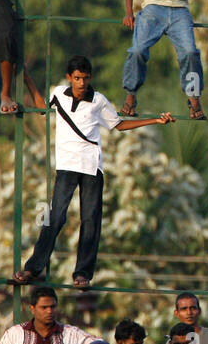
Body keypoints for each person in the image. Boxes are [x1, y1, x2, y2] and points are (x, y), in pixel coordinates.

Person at [11, 55, 175, 289]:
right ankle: (32, 268)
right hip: (66, 166)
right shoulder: (59, 93)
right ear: (70, 78)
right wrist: (26, 77)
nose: (81, 83)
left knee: (90, 220)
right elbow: (40, 108)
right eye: (77, 78)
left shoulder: (98, 100)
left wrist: (155, 122)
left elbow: (118, 125)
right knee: (54, 217)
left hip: (91, 167)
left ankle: (82, 274)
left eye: (85, 78)